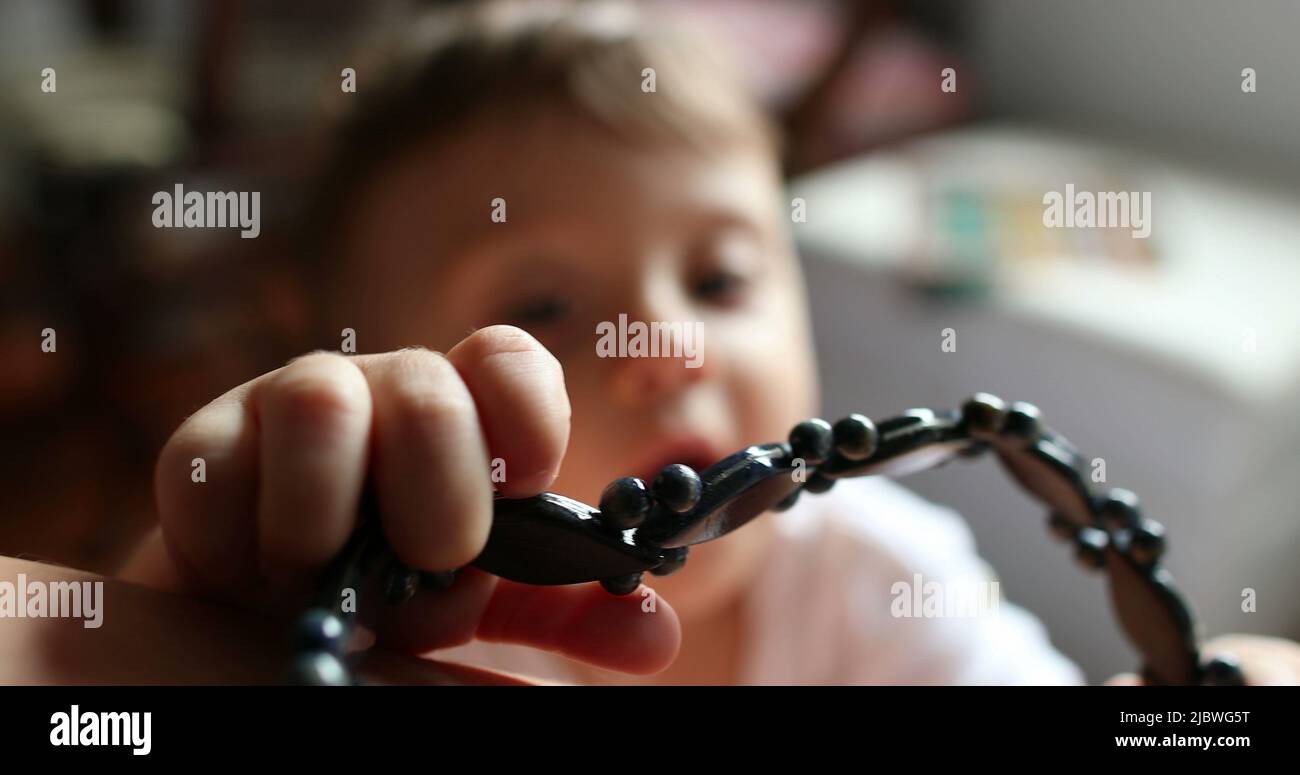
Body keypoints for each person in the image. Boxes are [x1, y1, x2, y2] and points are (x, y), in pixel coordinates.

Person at [104, 0, 1296, 685]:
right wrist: (208, 624)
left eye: (721, 275)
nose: (667, 342)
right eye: (547, 310)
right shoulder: (373, 632)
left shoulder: (878, 581)